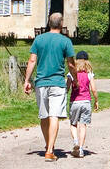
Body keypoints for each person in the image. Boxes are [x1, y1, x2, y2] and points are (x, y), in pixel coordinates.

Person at [22, 12, 75, 161]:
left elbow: (32, 61)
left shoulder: (39, 40)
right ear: (61, 23)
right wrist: (75, 78)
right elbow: (71, 64)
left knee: (44, 116)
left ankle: (48, 146)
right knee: (54, 116)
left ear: (49, 23)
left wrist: (27, 80)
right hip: (57, 83)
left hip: (41, 83)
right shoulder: (65, 41)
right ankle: (50, 150)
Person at [66, 50, 98, 157]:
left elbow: (67, 88)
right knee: (83, 125)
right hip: (86, 101)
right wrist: (96, 100)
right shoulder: (89, 74)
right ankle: (80, 148)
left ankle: (75, 141)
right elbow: (93, 89)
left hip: (74, 101)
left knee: (73, 123)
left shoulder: (71, 74)